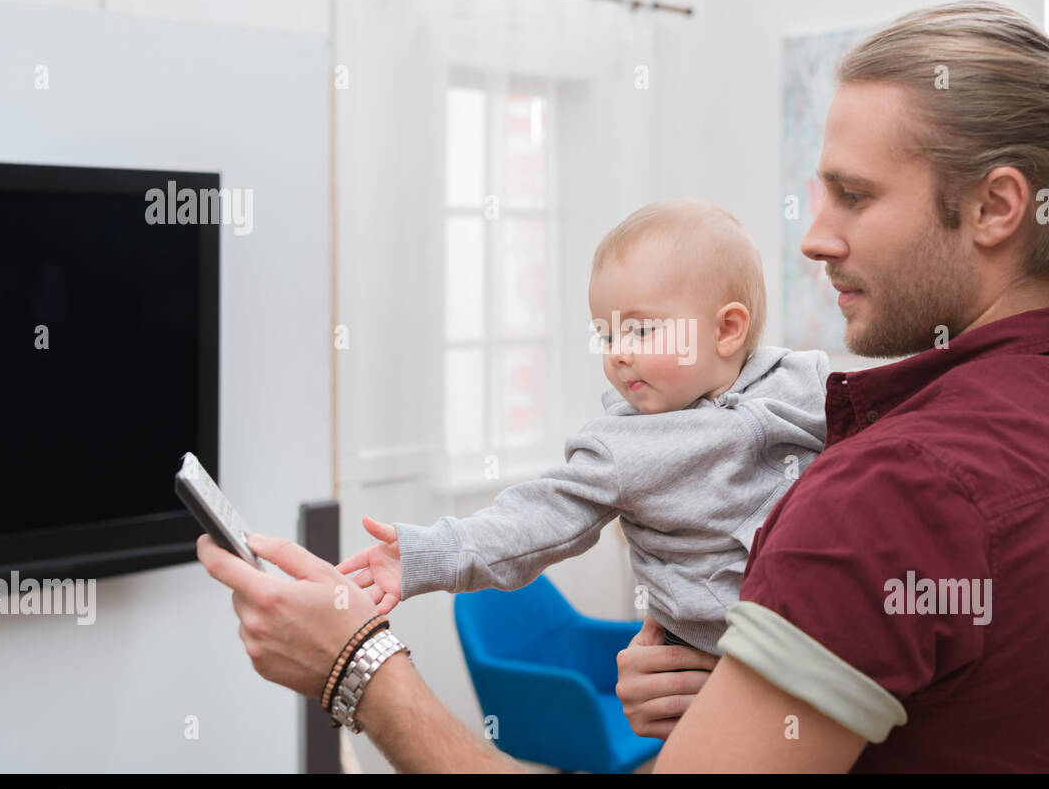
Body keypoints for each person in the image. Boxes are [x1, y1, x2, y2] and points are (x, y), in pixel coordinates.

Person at [200, 0, 1049, 771]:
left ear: (997, 206)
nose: (812, 236)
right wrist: (749, 693)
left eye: (854, 193)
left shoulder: (897, 487)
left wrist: (355, 669)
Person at [338, 198, 830, 657]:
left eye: (640, 329)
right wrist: (426, 556)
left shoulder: (801, 382)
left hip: (822, 634)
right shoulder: (620, 447)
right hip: (719, 656)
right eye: (605, 334)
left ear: (726, 330)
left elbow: (886, 437)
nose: (617, 351)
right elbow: (533, 518)